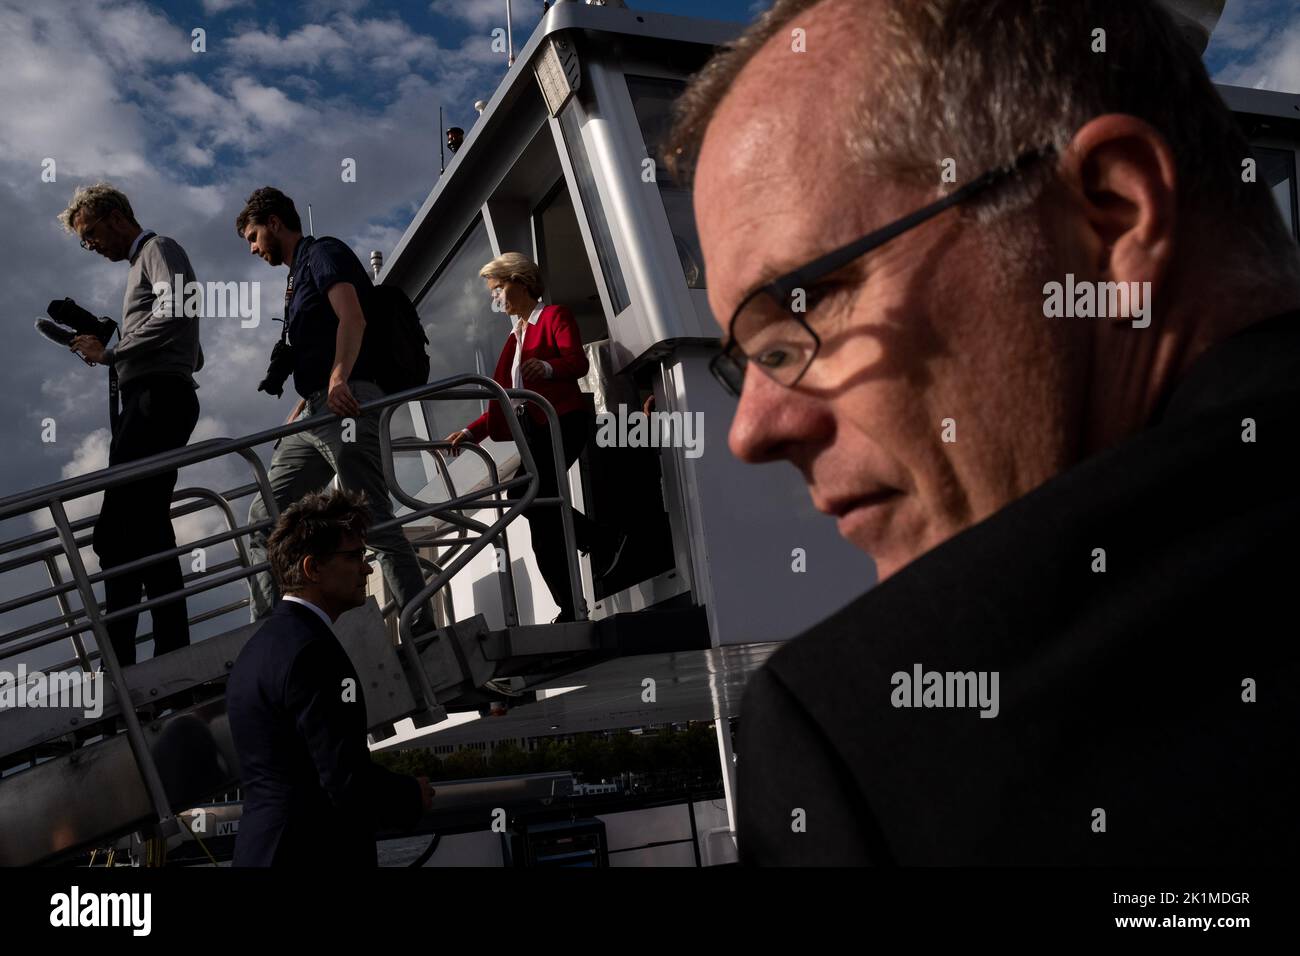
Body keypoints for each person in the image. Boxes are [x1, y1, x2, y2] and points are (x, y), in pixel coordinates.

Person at [668, 0, 1300, 863]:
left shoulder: (872, 752)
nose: (752, 431)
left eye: (807, 308)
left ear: (1113, 217)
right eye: (752, 358)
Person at [235, 187, 433, 633]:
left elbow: (353, 317)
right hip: (314, 412)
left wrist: (340, 376)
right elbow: (317, 345)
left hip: (346, 402)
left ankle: (423, 629)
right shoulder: (294, 280)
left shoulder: (323, 253)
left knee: (373, 520)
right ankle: (272, 629)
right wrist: (303, 403)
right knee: (262, 517)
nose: (252, 248)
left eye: (252, 236)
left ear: (274, 223)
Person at [226, 488, 432, 867]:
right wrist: (409, 794)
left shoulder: (256, 651)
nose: (367, 568)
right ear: (312, 568)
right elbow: (344, 780)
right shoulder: (313, 653)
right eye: (354, 557)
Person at [59, 184, 204, 667]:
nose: (91, 246)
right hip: (151, 398)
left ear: (117, 216)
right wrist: (120, 346)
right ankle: (162, 655)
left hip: (157, 401)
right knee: (142, 527)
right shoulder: (142, 266)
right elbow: (192, 347)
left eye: (91, 234)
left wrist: (116, 351)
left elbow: (179, 309)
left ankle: (127, 662)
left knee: (120, 531)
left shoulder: (158, 249)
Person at [445, 253, 625, 623]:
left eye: (497, 290)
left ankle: (601, 540)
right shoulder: (515, 337)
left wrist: (546, 366)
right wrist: (469, 432)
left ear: (519, 281)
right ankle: (569, 607)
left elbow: (578, 363)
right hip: (533, 429)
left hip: (564, 422)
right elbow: (506, 397)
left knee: (522, 495)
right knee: (542, 526)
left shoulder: (554, 317)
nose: (495, 299)